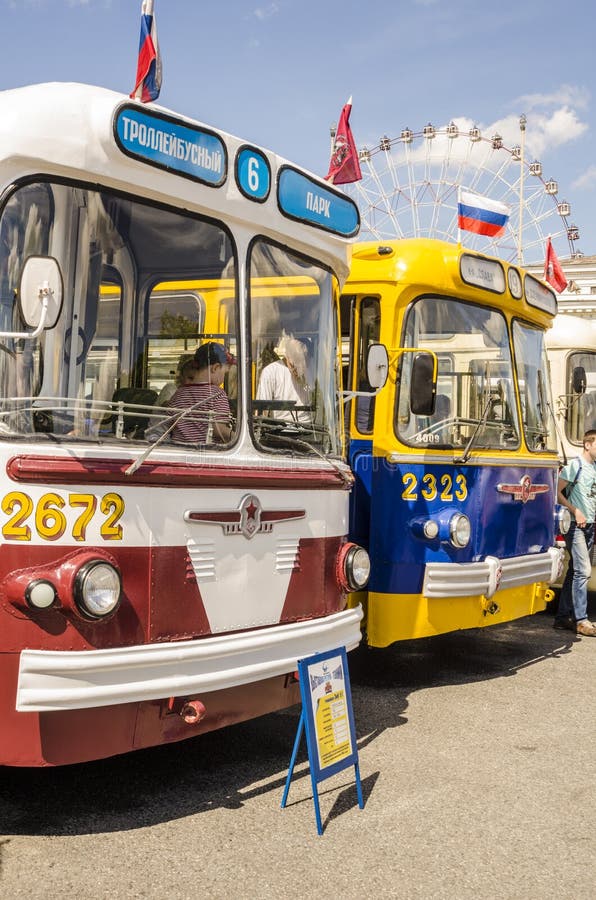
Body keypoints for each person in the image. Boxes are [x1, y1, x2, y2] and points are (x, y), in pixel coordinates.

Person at [555, 428, 596, 636]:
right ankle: (582, 620)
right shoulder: (575, 466)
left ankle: (562, 618)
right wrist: (575, 511)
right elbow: (557, 492)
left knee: (574, 571)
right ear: (587, 445)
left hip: (590, 526)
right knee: (584, 571)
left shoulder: (595, 468)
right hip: (574, 525)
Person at [167, 342, 235, 444]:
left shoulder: (179, 393)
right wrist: (236, 437)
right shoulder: (218, 394)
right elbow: (219, 429)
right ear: (215, 368)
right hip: (204, 453)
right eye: (224, 373)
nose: (223, 378)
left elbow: (168, 421)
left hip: (179, 449)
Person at [256, 332, 311, 423]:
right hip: (281, 430)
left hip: (309, 428)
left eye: (302, 365)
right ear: (287, 357)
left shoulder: (310, 370)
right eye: (294, 366)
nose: (298, 370)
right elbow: (262, 409)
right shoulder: (270, 372)